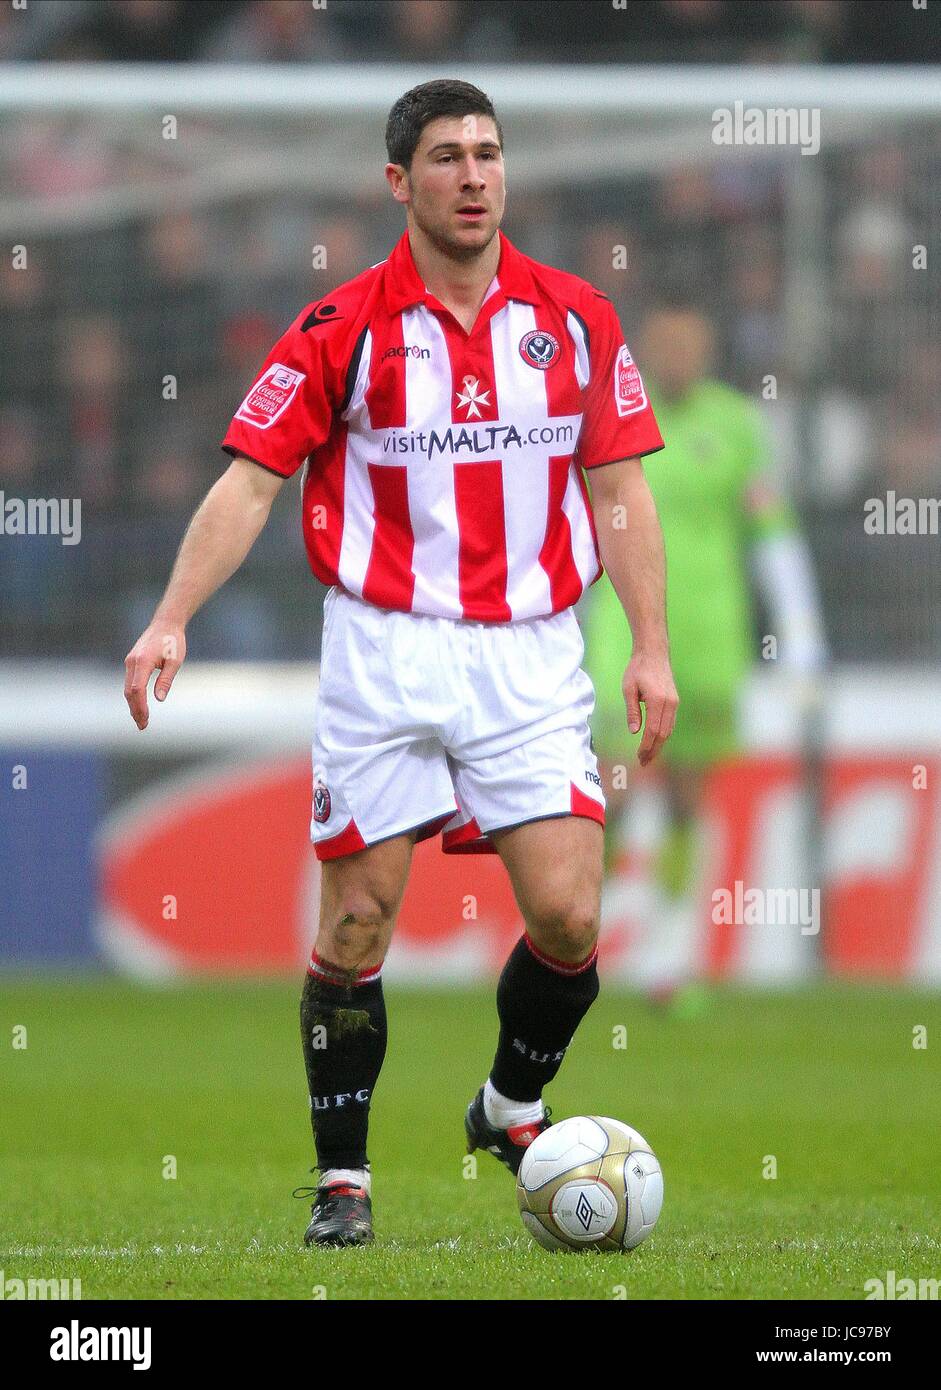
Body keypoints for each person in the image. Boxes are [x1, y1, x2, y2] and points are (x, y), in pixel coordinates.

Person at [123, 79, 677, 1248]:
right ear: (398, 182)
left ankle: (507, 1105)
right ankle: (343, 1181)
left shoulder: (572, 319)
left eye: (487, 154)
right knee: (359, 924)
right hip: (385, 649)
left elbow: (620, 488)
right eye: (445, 158)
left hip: (531, 652)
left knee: (571, 916)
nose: (473, 175)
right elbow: (249, 483)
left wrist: (652, 645)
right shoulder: (341, 329)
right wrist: (171, 617)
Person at [581, 298, 827, 999]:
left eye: (689, 341)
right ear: (645, 347)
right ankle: (578, 952)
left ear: (708, 346)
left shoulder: (738, 426)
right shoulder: (613, 416)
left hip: (711, 643)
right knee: (614, 792)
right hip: (619, 640)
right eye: (665, 341)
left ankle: (664, 959)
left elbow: (772, 536)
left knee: (688, 803)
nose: (677, 355)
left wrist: (800, 639)